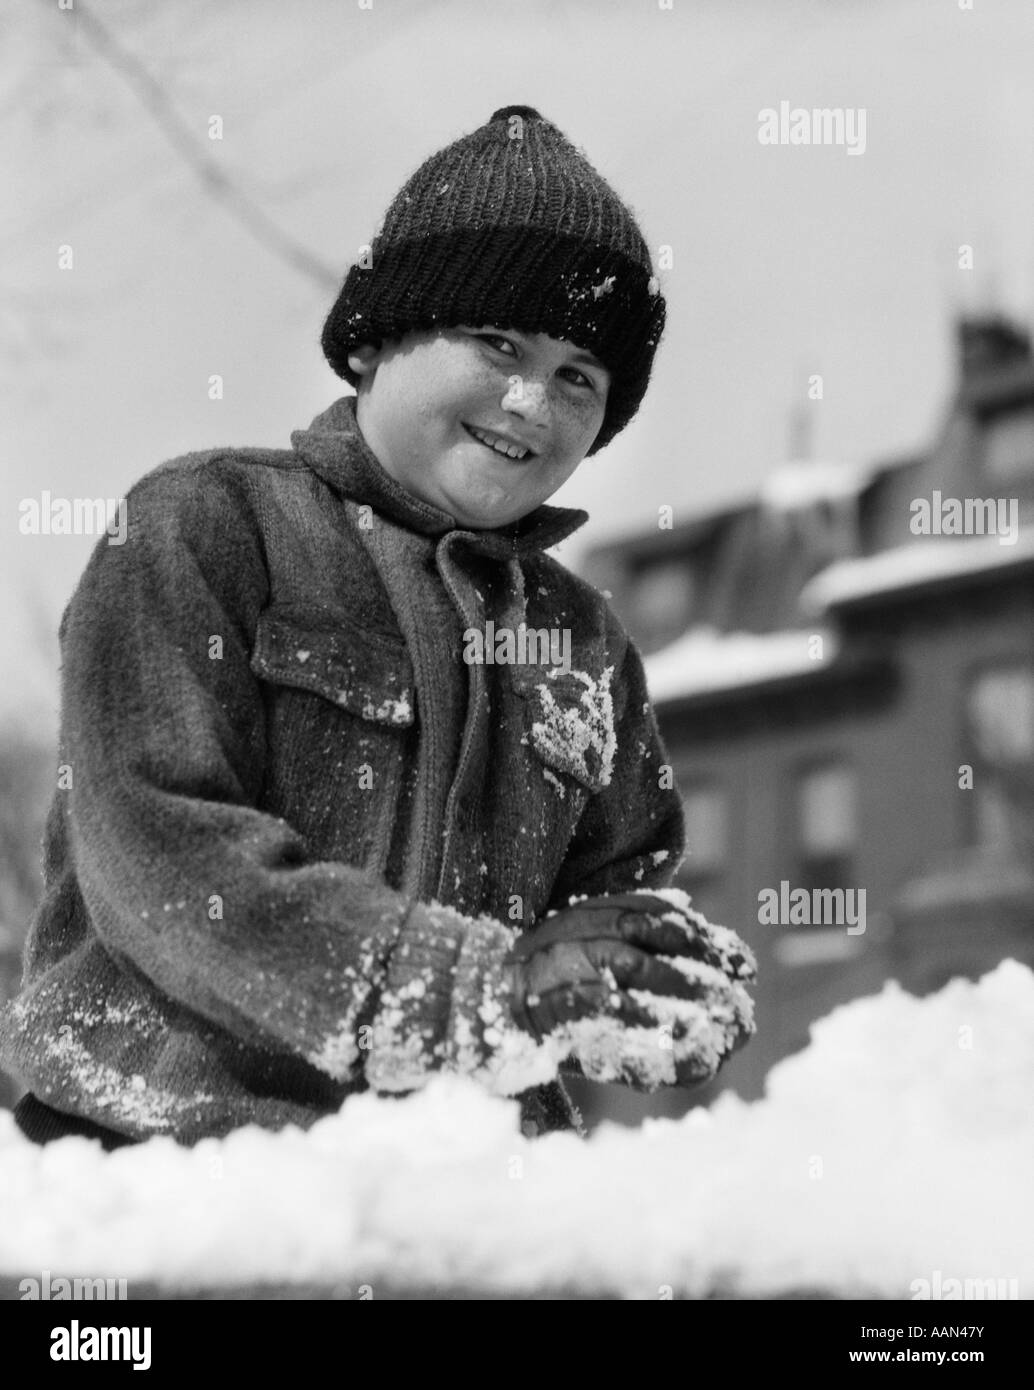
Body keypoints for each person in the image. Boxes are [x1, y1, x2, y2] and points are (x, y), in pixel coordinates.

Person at [0, 105, 755, 1150]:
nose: (533, 402)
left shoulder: (581, 643)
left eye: (580, 376)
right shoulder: (205, 527)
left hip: (463, 1196)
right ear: (375, 342)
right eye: (498, 342)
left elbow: (616, 884)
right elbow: (161, 856)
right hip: (167, 1168)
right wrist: (479, 990)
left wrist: (642, 974)